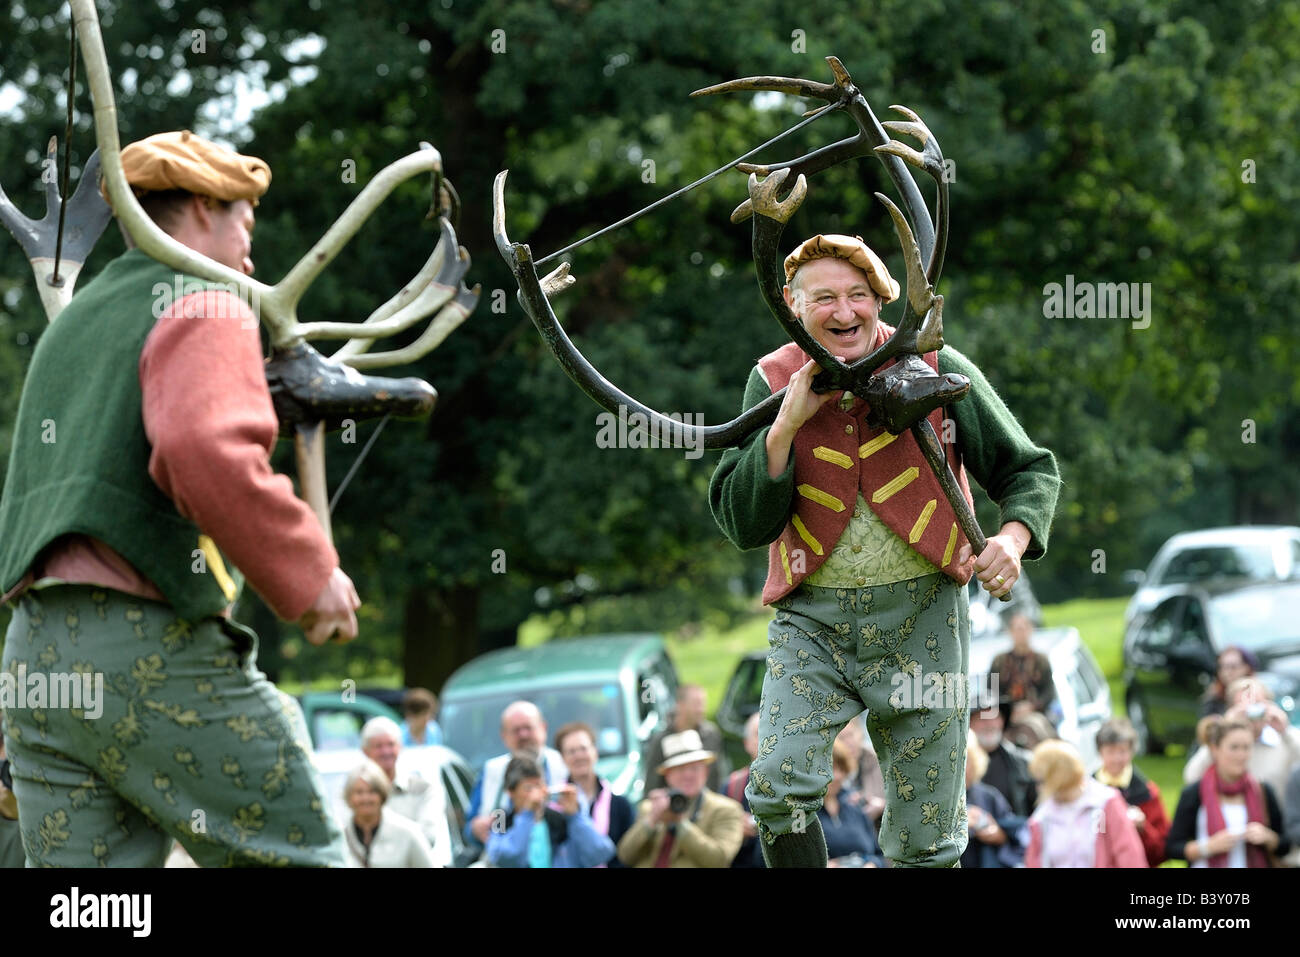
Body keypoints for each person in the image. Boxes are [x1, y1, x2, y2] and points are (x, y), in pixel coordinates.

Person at [0, 130, 359, 867]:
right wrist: (311, 574)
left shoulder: (70, 328)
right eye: (244, 226)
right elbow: (200, 450)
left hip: (34, 663)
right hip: (143, 651)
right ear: (201, 207)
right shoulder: (207, 299)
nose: (251, 257)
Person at [710, 233, 1060, 867]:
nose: (844, 313)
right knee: (777, 789)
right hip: (812, 619)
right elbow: (743, 522)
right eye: (824, 299)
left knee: (928, 835)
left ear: (882, 298)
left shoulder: (934, 360)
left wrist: (1012, 538)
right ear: (792, 305)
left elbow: (1029, 470)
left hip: (924, 616)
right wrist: (784, 426)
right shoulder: (770, 379)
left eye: (858, 296)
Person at [1166, 716, 1289, 868]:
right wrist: (1209, 847)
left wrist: (1268, 837)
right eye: (1234, 747)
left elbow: (1285, 845)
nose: (1241, 755)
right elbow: (1172, 847)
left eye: (1246, 747)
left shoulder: (1262, 791)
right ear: (1215, 749)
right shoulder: (1194, 793)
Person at [618, 730, 744, 867]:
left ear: (706, 772)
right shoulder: (650, 808)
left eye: (694, 768)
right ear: (667, 775)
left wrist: (680, 824)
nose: (687, 775)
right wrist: (651, 820)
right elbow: (625, 856)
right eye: (680, 769)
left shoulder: (726, 809)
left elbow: (719, 860)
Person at [463, 701, 566, 857]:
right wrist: (475, 829)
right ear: (504, 736)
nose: (523, 735)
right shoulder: (492, 771)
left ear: (543, 728)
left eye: (528, 728)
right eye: (516, 730)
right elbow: (471, 828)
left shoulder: (563, 764)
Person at [1024, 740, 1147, 868]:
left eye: (1042, 780)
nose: (1038, 788)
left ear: (1058, 777)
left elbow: (1129, 857)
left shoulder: (1105, 803)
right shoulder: (1042, 816)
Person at [1183, 677, 1300, 802]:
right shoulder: (1223, 746)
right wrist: (1224, 730)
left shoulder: (1283, 741)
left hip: (1275, 817)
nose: (1251, 713)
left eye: (1257, 705)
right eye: (1242, 707)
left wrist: (1286, 730)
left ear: (1269, 706)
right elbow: (1192, 776)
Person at [485, 757, 615, 868]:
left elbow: (601, 853)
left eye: (539, 786)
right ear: (510, 792)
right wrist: (527, 815)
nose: (536, 794)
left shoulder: (559, 820)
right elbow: (505, 857)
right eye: (528, 788)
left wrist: (575, 816)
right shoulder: (500, 818)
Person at [360, 716, 451, 866]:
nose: (386, 751)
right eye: (378, 746)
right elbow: (347, 840)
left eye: (391, 744)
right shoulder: (354, 794)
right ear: (365, 751)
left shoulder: (424, 789)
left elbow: (427, 837)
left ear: (400, 746)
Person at [1094, 717, 1171, 867]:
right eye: (1110, 751)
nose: (1116, 759)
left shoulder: (1147, 792)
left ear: (1132, 752)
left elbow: (1163, 850)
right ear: (1100, 752)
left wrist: (1144, 829)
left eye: (1122, 751)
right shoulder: (1088, 791)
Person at [554, 721, 633, 866]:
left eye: (583, 749)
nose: (578, 756)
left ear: (595, 751)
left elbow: (628, 856)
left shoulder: (620, 805)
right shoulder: (554, 806)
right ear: (562, 758)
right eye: (571, 751)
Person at [342, 759, 436, 868]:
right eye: (359, 792)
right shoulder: (340, 836)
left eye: (372, 792)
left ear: (382, 794)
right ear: (349, 797)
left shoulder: (408, 833)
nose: (365, 798)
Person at [643, 684, 728, 792]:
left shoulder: (711, 734)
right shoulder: (661, 740)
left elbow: (718, 775)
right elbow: (652, 783)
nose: (701, 709)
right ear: (680, 705)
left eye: (703, 704)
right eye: (696, 704)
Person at [969, 699, 1038, 826]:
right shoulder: (957, 769)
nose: (989, 724)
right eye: (982, 719)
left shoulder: (1024, 763)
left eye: (995, 717)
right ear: (969, 724)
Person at [818, 740, 886, 867]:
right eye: (831, 768)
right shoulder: (803, 812)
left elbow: (879, 854)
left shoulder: (854, 803)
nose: (837, 776)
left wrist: (873, 864)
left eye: (841, 769)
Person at [962, 732, 1023, 868]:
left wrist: (997, 834)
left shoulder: (989, 796)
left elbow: (1015, 838)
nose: (960, 768)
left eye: (965, 760)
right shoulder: (940, 800)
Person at [990, 612, 1057, 722]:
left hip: (1037, 716)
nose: (1021, 633)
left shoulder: (1041, 661)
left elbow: (1049, 692)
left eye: (1024, 628)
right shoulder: (999, 662)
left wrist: (1032, 707)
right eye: (1017, 629)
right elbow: (991, 692)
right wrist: (1010, 709)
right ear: (1010, 632)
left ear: (1031, 630)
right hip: (1007, 718)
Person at [721, 712, 767, 867]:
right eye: (758, 733)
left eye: (769, 731)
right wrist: (733, 827)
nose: (765, 738)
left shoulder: (797, 784)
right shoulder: (733, 786)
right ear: (746, 743)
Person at [836, 713, 886, 824]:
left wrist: (881, 806)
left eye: (851, 735)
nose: (849, 743)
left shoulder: (878, 760)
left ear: (861, 733)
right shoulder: (833, 767)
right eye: (842, 738)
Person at [1199, 646, 1257, 719]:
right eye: (1222, 667)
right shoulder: (1213, 699)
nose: (1227, 672)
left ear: (1247, 667)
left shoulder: (1258, 694)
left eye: (1233, 666)